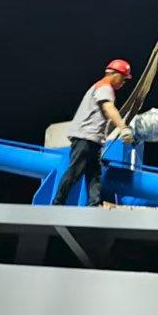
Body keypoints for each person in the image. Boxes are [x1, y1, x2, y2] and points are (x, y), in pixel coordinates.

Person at [52, 59, 135, 207]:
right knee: (75, 172)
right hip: (86, 139)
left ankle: (94, 206)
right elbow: (108, 108)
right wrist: (123, 128)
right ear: (114, 74)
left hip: (93, 141)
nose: (123, 83)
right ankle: (58, 203)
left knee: (94, 176)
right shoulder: (105, 88)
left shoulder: (98, 87)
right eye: (123, 78)